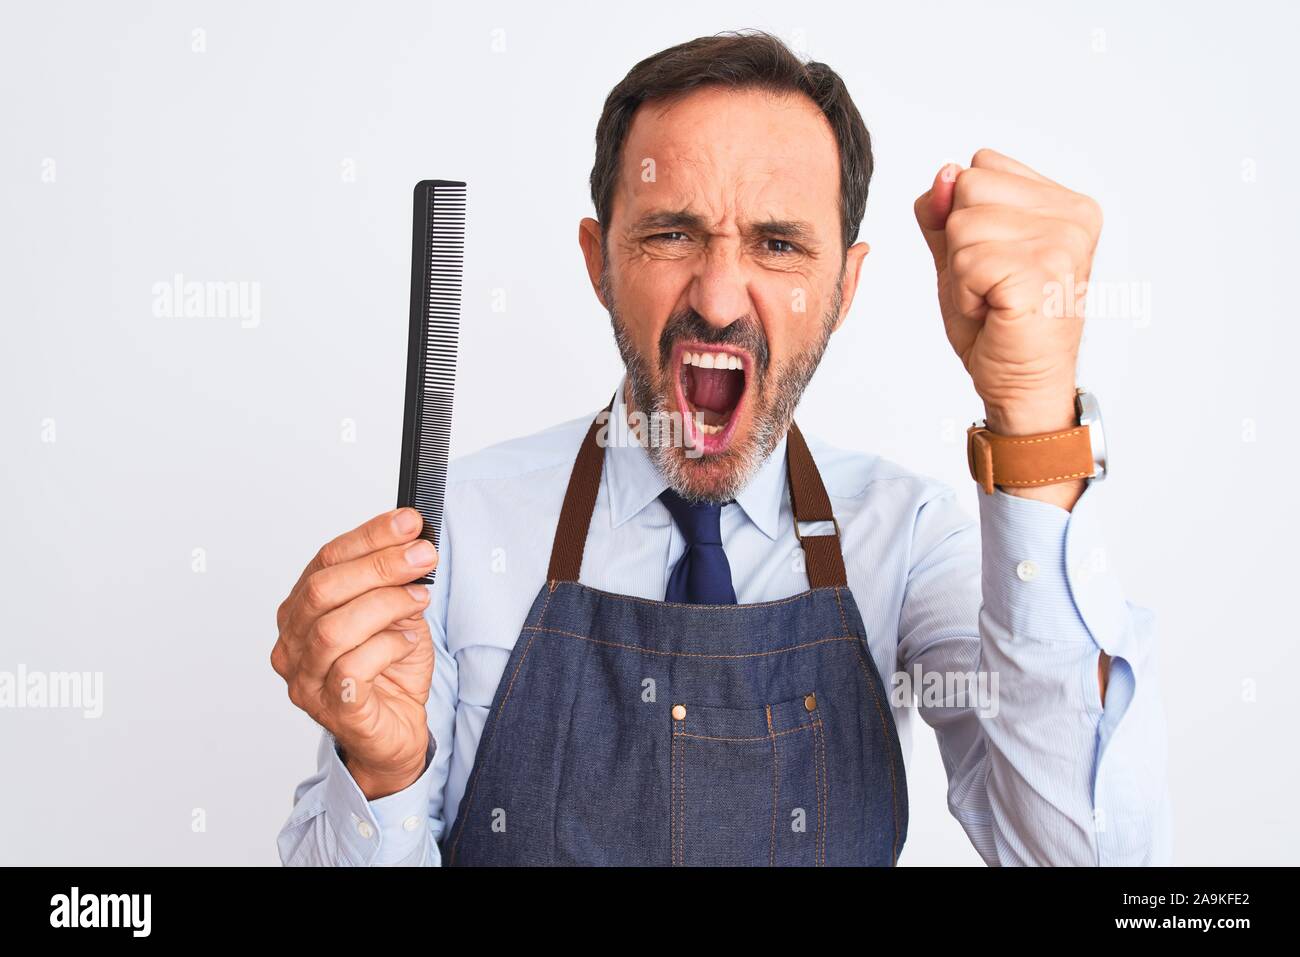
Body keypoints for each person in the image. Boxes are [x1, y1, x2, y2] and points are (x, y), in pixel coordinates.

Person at [271, 30, 1170, 866]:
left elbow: (1083, 857)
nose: (719, 296)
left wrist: (1031, 416)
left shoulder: (913, 537)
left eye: (778, 244)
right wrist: (382, 772)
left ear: (845, 287)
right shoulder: (454, 530)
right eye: (671, 234)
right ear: (599, 260)